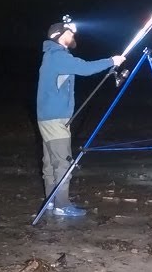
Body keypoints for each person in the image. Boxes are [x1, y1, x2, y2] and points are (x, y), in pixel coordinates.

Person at [36, 18, 124, 217]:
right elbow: (85, 68)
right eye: (69, 32)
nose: (73, 35)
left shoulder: (54, 56)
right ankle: (62, 205)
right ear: (58, 35)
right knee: (63, 163)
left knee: (50, 162)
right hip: (55, 118)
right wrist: (112, 61)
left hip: (49, 117)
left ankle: (51, 201)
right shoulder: (57, 56)